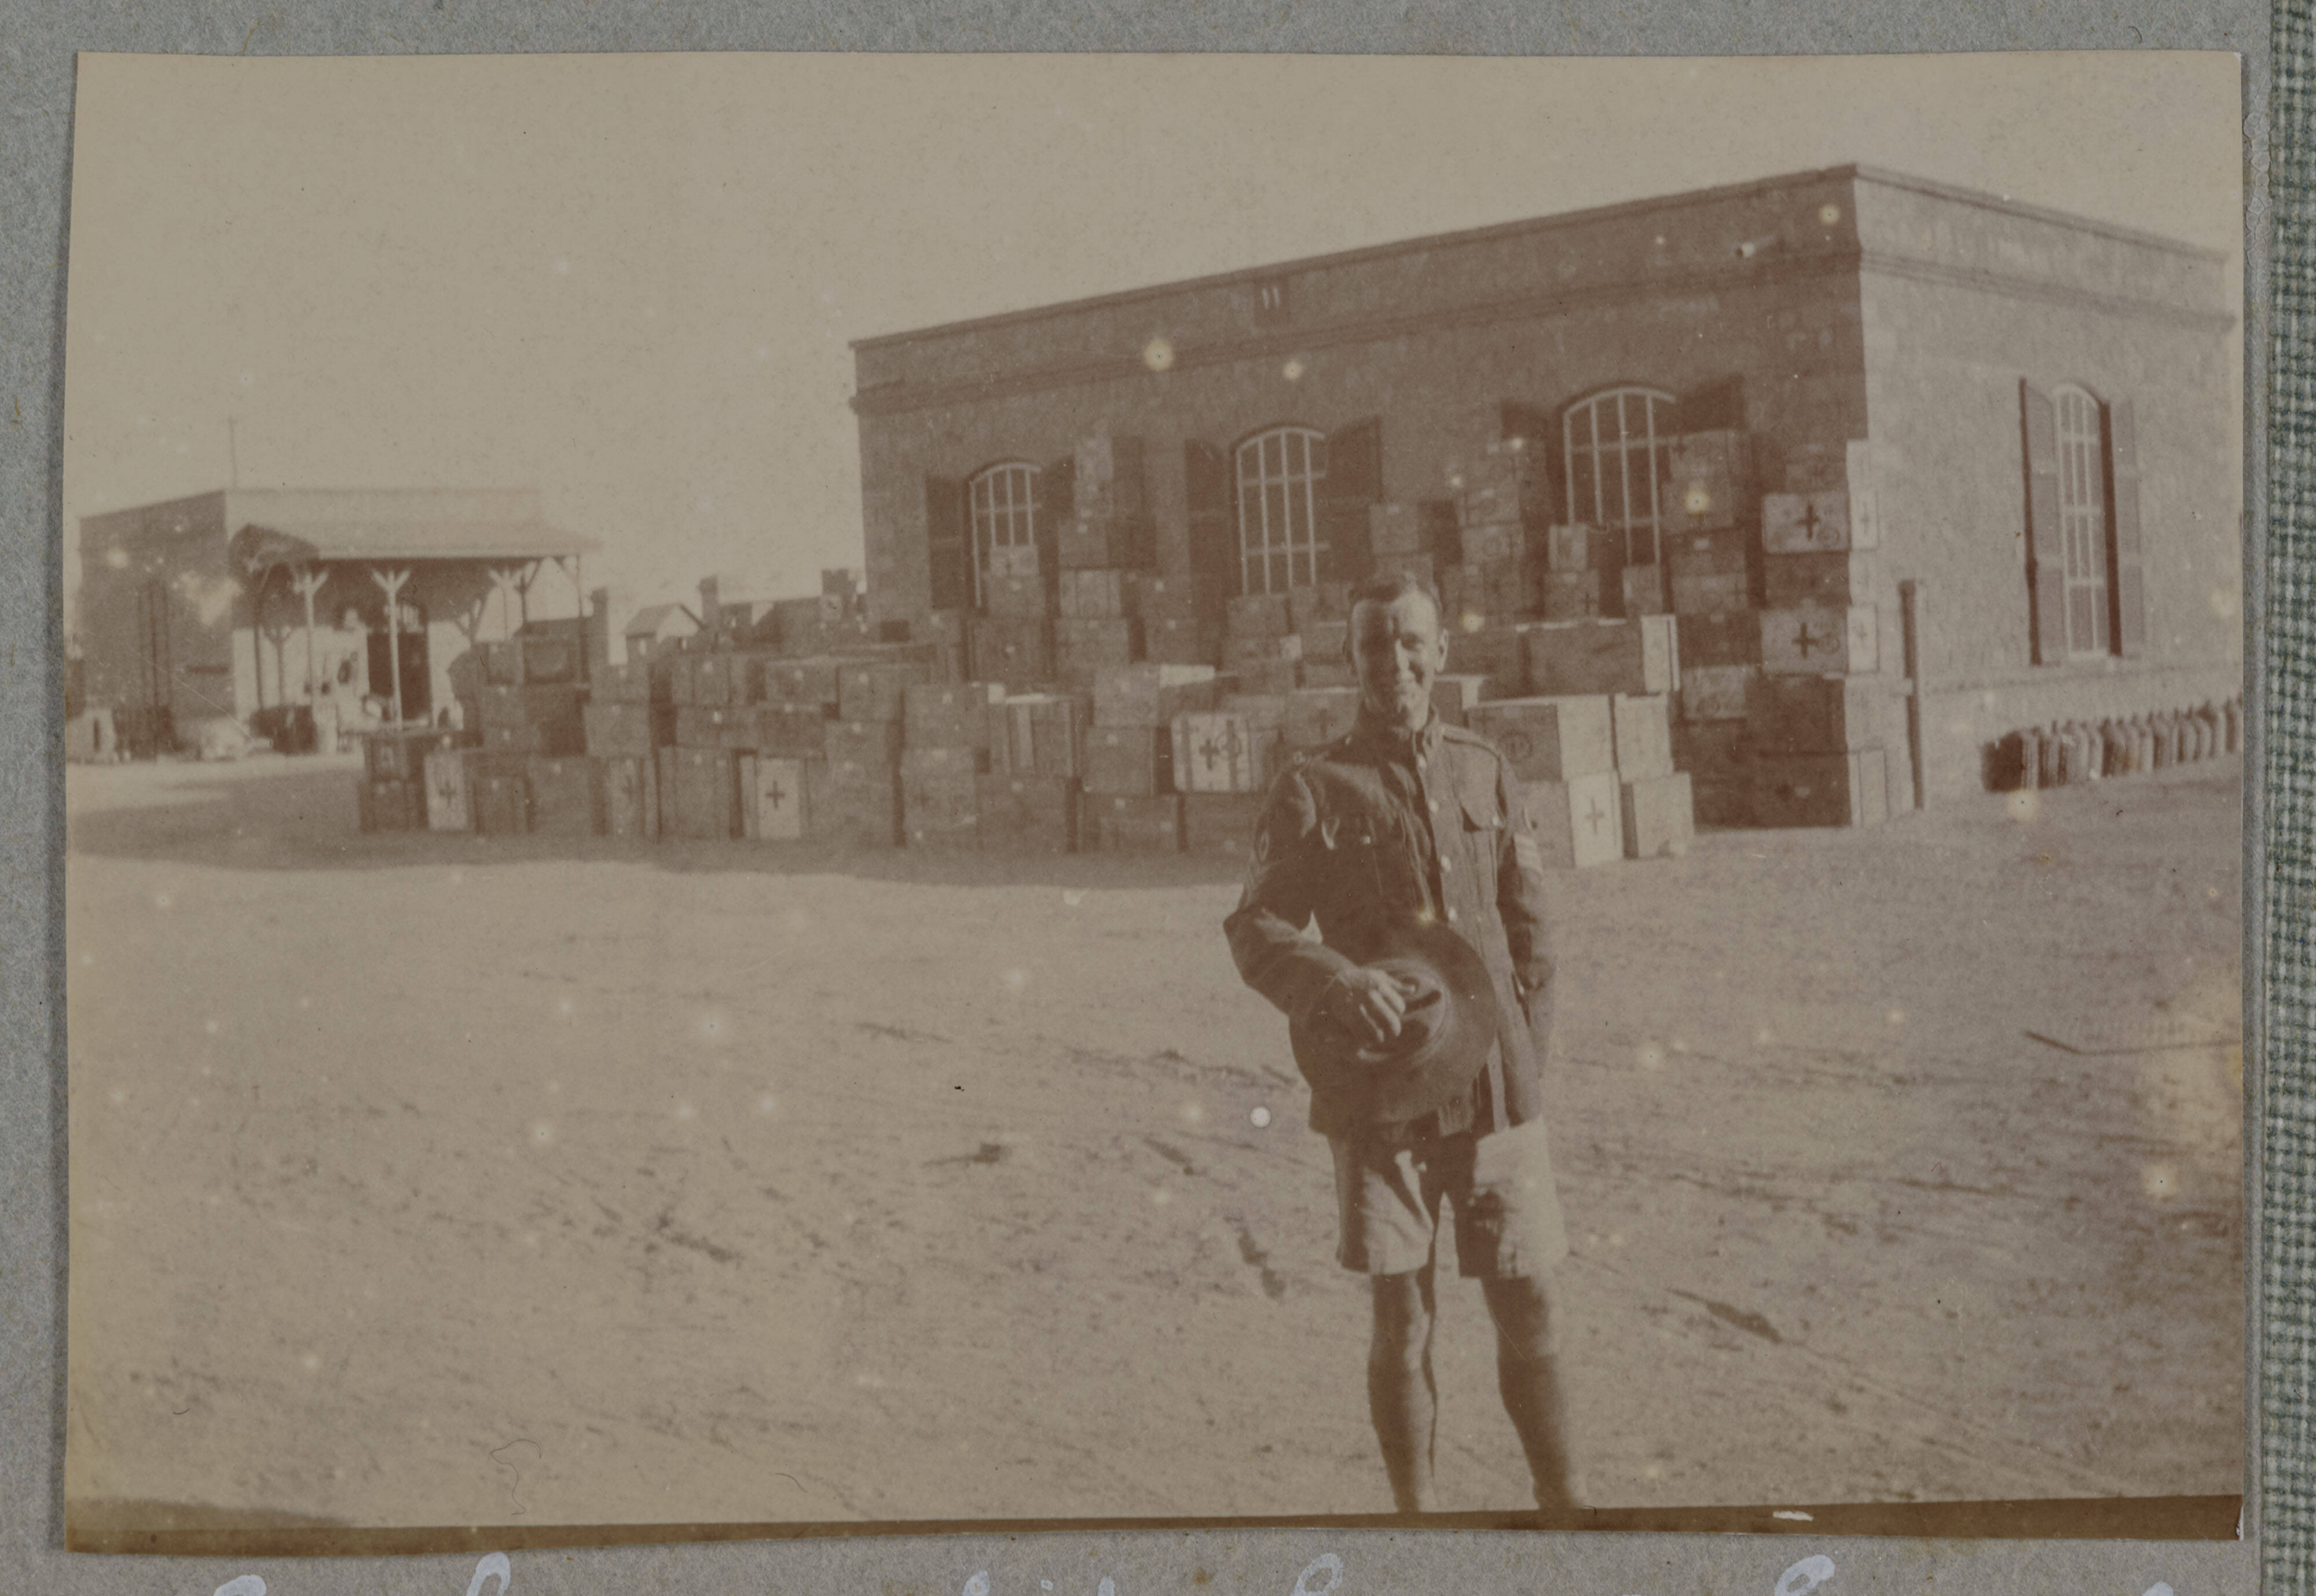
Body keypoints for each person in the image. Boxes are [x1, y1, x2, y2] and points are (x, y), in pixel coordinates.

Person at [1223, 567, 1579, 1517]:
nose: (1397, 662)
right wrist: (1339, 983)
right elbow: (1256, 927)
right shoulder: (1314, 785)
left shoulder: (1485, 769)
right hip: (1379, 1097)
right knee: (1402, 1318)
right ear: (1354, 659)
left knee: (1530, 1302)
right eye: (1376, 644)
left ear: (1442, 652)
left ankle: (1565, 1504)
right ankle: (1416, 1525)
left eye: (1412, 641)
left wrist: (1521, 1056)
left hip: (1498, 1091)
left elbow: (1532, 931)